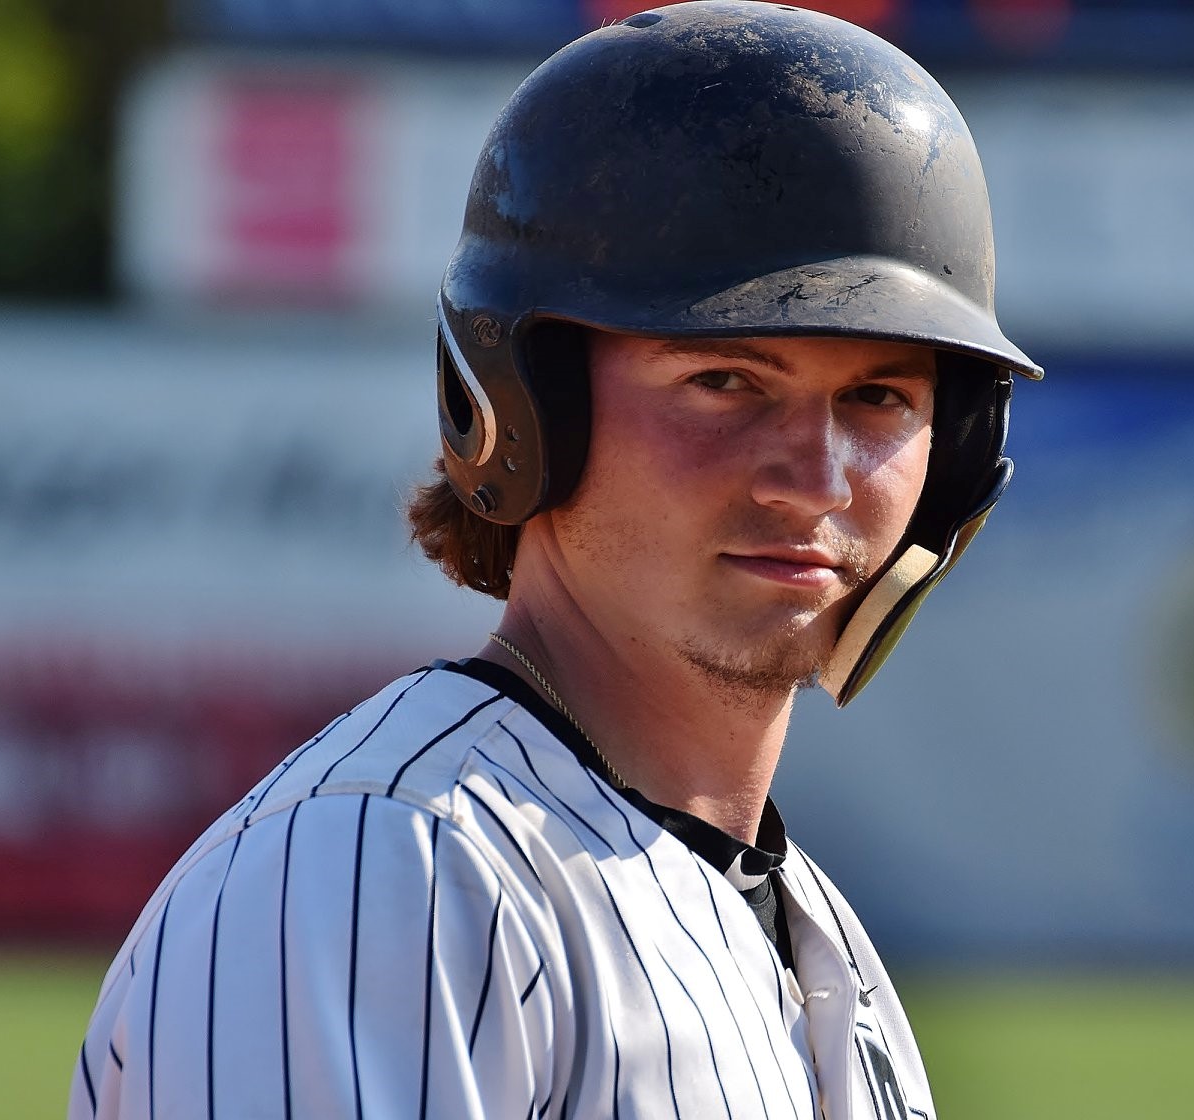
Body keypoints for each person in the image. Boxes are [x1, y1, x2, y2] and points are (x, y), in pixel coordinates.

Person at [68, 3, 1041, 1117]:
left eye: (879, 396)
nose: (813, 478)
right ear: (522, 409)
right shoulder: (387, 864)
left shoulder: (812, 933)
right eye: (724, 381)